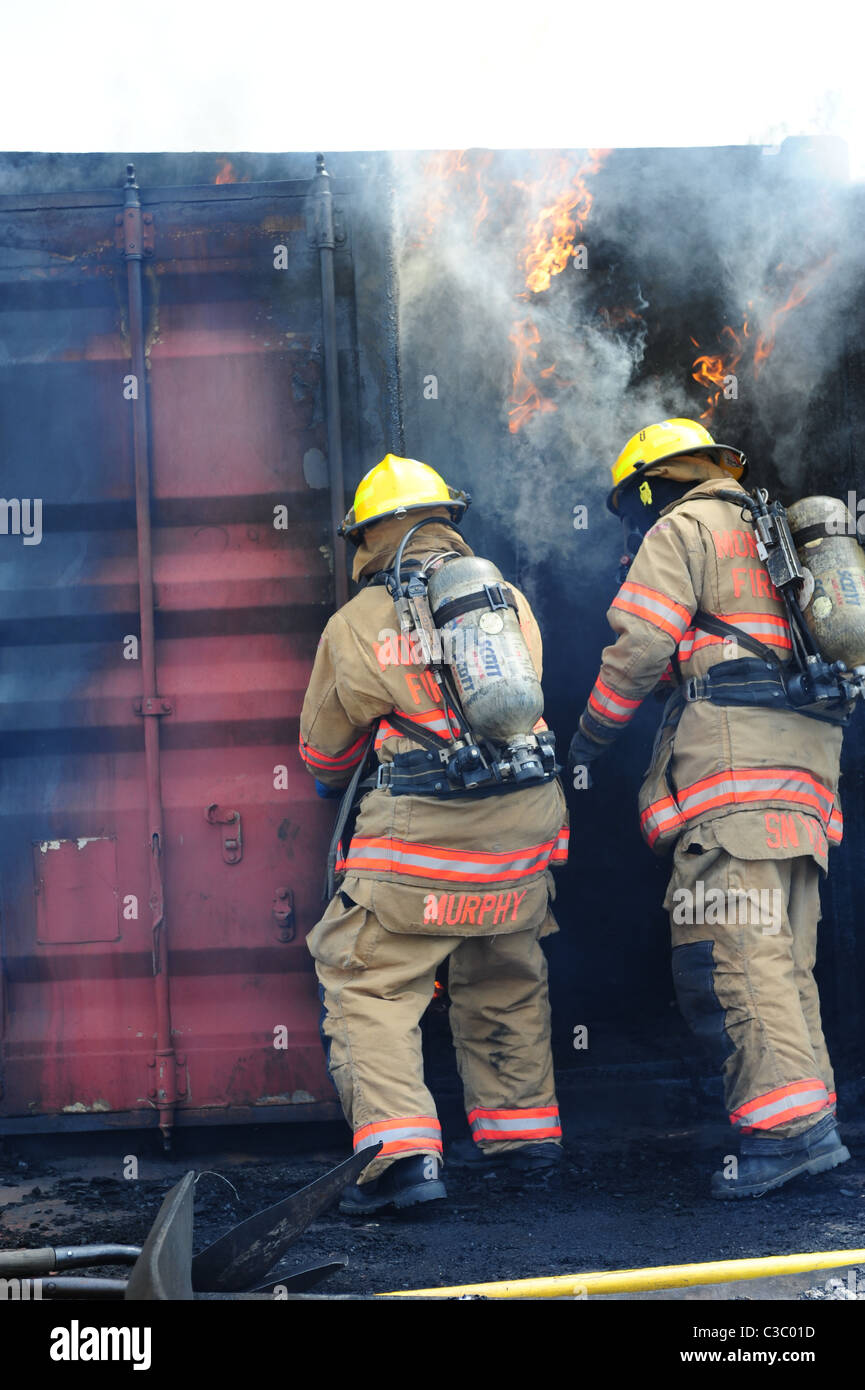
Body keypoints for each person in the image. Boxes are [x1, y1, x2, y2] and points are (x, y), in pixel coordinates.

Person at [568, 418, 851, 1199]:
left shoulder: (682, 526)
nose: (634, 526)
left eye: (635, 507)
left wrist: (588, 738)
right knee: (783, 961)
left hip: (733, 787)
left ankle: (783, 1133)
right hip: (801, 785)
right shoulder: (770, 531)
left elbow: (638, 647)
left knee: (734, 958)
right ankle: (811, 1123)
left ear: (656, 484)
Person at [300, 454, 569, 1212]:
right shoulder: (505, 598)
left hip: (418, 842)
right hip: (522, 837)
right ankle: (526, 1149)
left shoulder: (356, 623)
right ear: (445, 520)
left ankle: (402, 1164)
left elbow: (324, 754)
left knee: (369, 982)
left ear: (371, 536)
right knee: (505, 978)